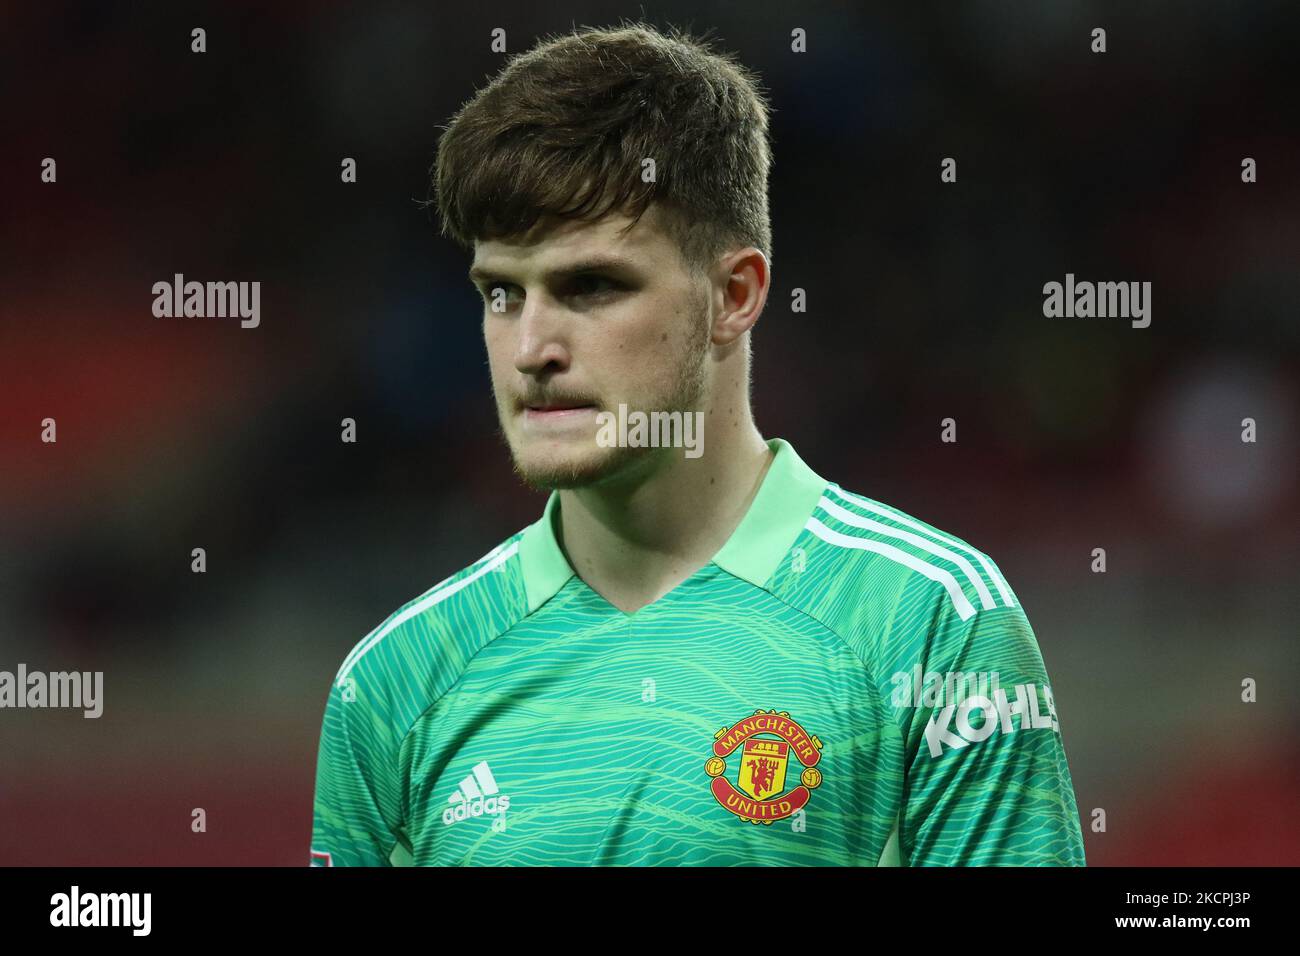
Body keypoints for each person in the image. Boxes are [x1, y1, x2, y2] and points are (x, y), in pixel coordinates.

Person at [310, 22, 1085, 866]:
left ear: (734, 295)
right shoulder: (394, 683)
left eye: (591, 286)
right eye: (502, 293)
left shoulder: (930, 622)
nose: (532, 348)